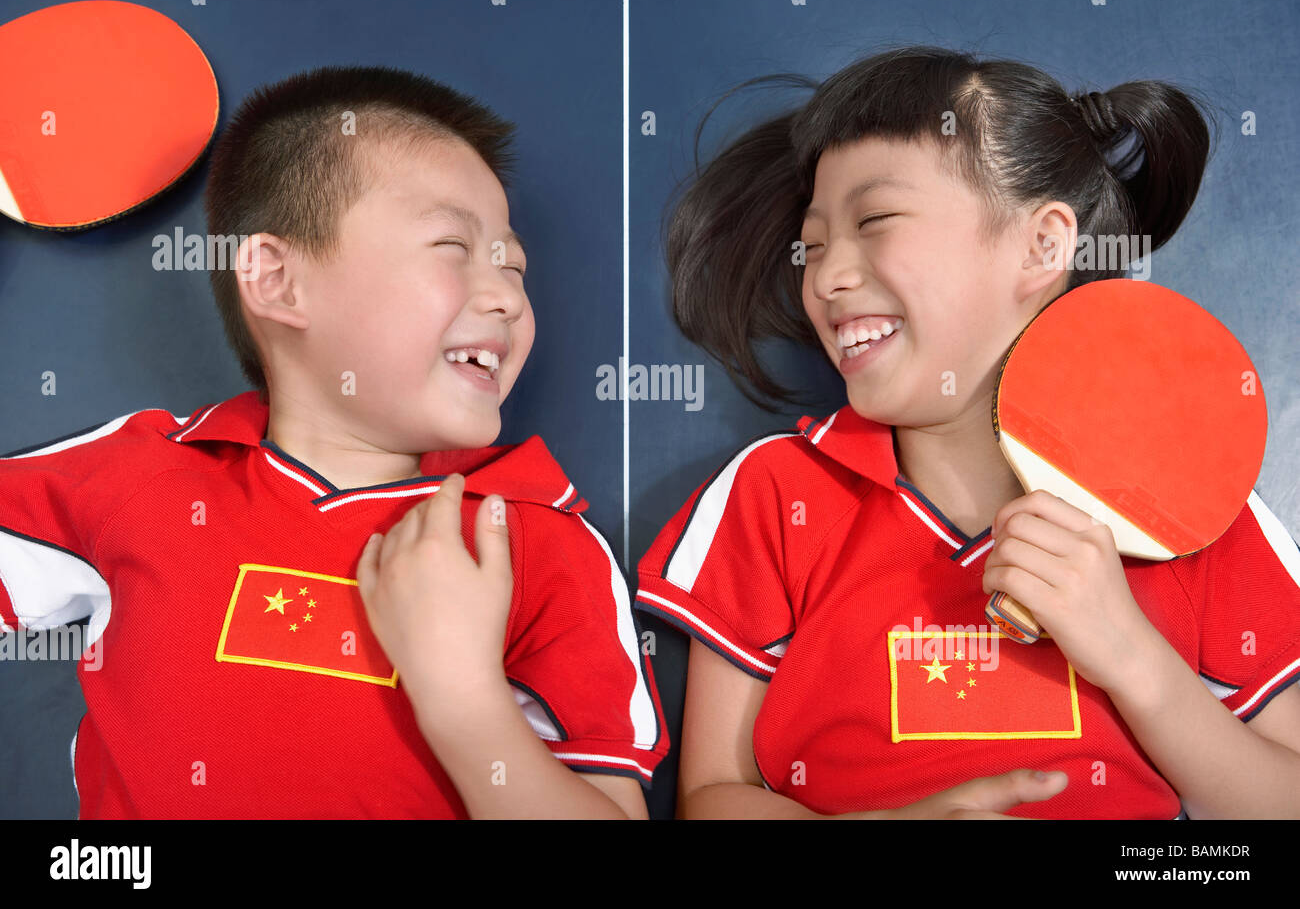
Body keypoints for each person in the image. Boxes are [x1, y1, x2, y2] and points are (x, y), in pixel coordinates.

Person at [634, 45, 1300, 818]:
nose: (825, 276)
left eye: (875, 220)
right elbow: (714, 797)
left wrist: (1130, 655)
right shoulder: (777, 493)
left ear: (1043, 245)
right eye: (812, 246)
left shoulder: (1188, 504)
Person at [0, 66, 667, 818]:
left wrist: (464, 700)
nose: (507, 295)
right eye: (453, 245)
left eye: (512, 264)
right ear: (278, 281)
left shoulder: (535, 536)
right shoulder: (140, 475)